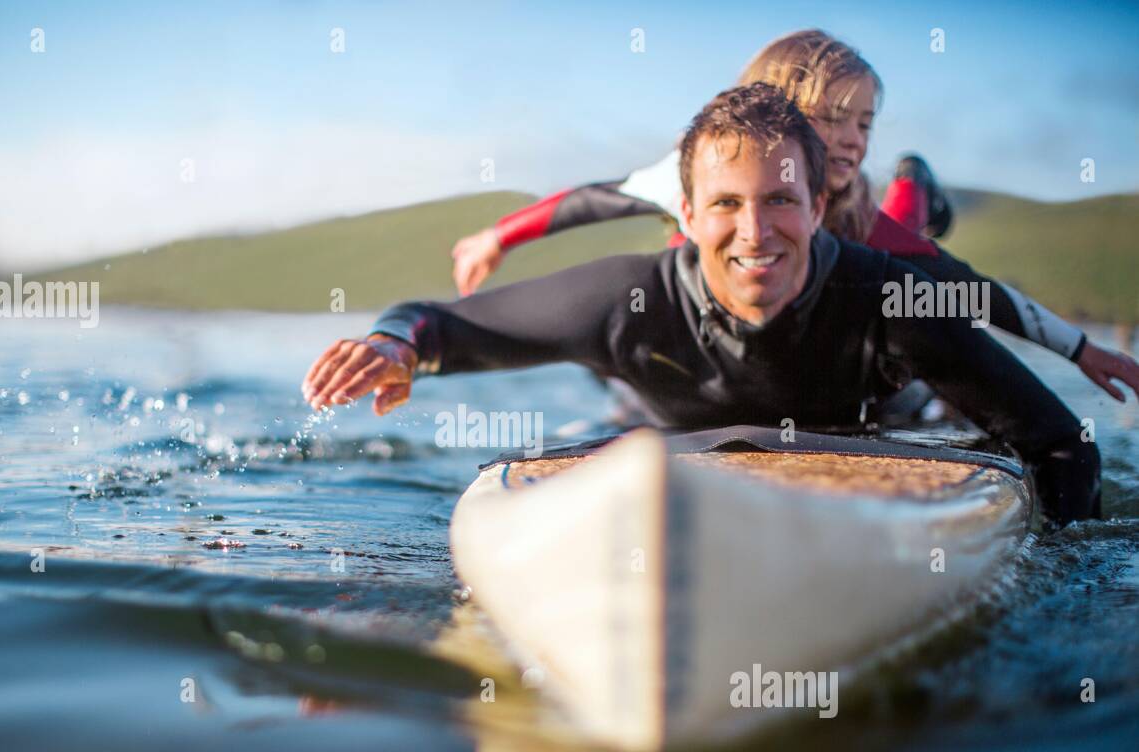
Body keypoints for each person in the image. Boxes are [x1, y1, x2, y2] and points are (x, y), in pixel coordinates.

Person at [302, 83, 1101, 526]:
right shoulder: (628, 300)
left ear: (818, 207)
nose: (754, 232)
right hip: (659, 417)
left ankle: (914, 192)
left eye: (780, 200)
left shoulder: (889, 299)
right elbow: (436, 323)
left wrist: (1047, 568)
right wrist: (394, 346)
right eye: (725, 204)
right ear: (685, 216)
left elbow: (1064, 446)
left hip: (885, 418)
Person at [449, 30, 1139, 405]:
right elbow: (593, 199)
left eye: (864, 123)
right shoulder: (700, 170)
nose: (852, 140)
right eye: (833, 119)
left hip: (858, 275)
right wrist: (495, 238)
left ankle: (914, 188)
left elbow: (965, 286)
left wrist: (1080, 350)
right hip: (732, 332)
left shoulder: (856, 212)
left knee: (906, 253)